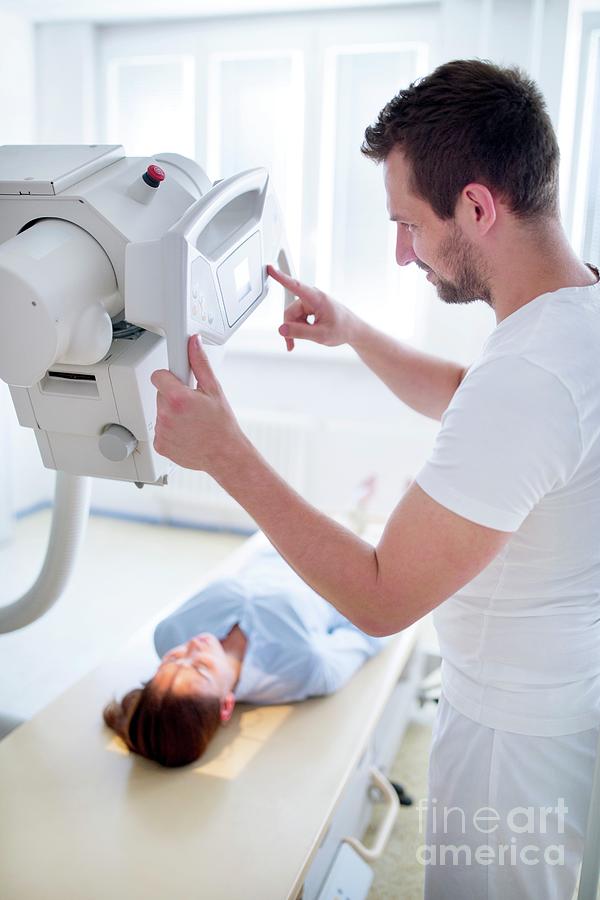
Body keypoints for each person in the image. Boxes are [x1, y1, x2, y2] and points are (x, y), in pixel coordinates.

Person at [150, 59, 600, 898]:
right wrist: (352, 329)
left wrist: (226, 455)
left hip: (514, 742)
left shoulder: (533, 378)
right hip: (554, 698)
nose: (401, 253)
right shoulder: (574, 313)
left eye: (406, 223)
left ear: (475, 205)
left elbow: (382, 597)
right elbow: (471, 398)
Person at [104, 544, 386, 768]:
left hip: (275, 542)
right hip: (348, 561)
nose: (192, 648)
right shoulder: (304, 667)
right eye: (201, 668)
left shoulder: (169, 634)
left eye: (172, 661)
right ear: (226, 705)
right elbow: (373, 629)